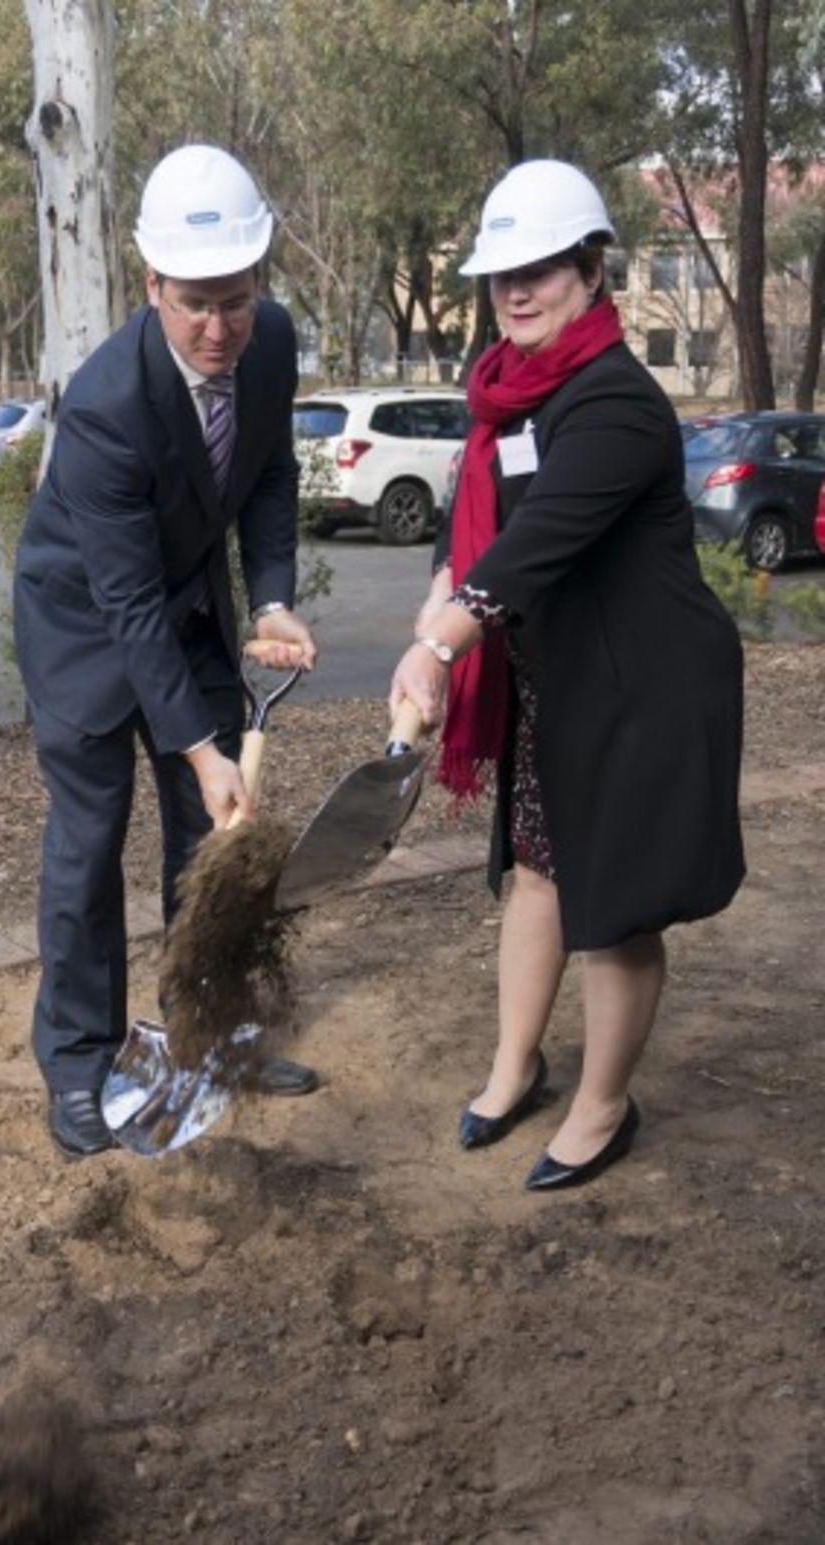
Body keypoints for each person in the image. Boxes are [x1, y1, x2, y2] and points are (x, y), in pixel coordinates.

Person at [389, 160, 744, 1191]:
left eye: (541, 266)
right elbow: (481, 528)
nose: (517, 288)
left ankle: (602, 1106)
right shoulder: (507, 399)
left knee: (615, 907)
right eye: (501, 271)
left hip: (643, 689)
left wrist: (439, 643)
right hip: (560, 690)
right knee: (538, 874)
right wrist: (440, 591)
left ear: (591, 270)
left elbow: (536, 543)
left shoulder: (617, 403)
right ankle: (514, 1070)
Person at [14, 144, 319, 1159]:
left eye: (235, 299)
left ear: (260, 281)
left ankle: (210, 1037)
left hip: (182, 612)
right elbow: (124, 601)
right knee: (89, 841)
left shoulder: (269, 343)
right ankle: (78, 1059)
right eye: (194, 304)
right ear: (150, 286)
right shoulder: (105, 407)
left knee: (212, 843)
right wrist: (197, 744)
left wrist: (269, 597)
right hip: (83, 628)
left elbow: (268, 470)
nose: (218, 327)